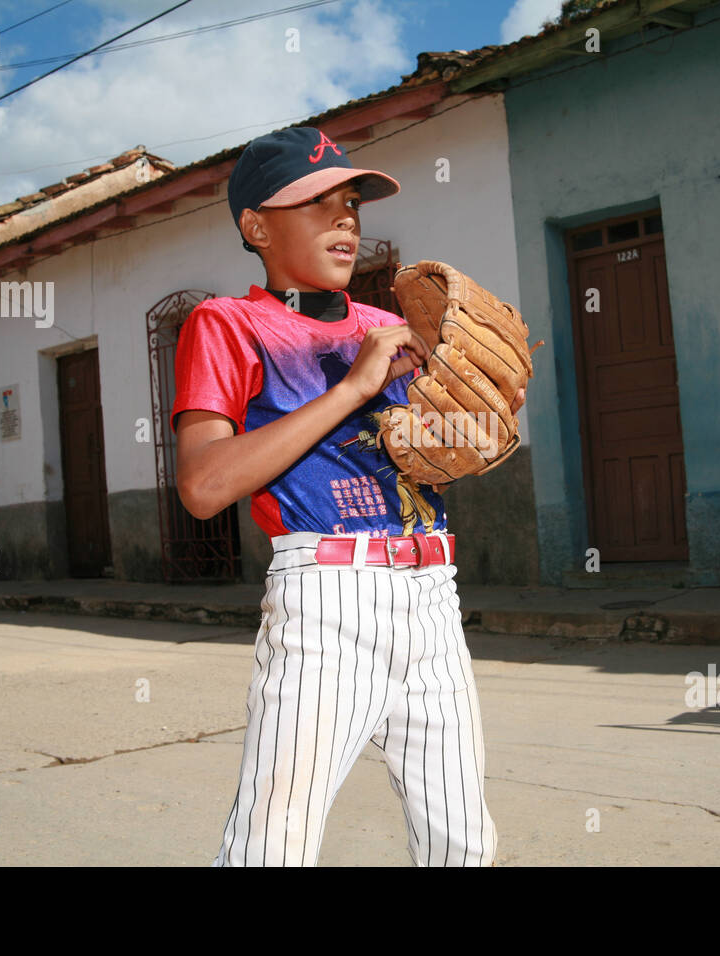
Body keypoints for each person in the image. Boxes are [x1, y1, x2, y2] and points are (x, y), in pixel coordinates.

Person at [171, 126, 523, 866]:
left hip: (432, 595)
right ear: (256, 226)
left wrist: (477, 424)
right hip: (328, 602)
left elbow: (428, 457)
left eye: (350, 202)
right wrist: (357, 386)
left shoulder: (393, 329)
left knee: (464, 841)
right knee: (275, 845)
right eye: (315, 202)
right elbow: (204, 487)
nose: (345, 219)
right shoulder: (228, 324)